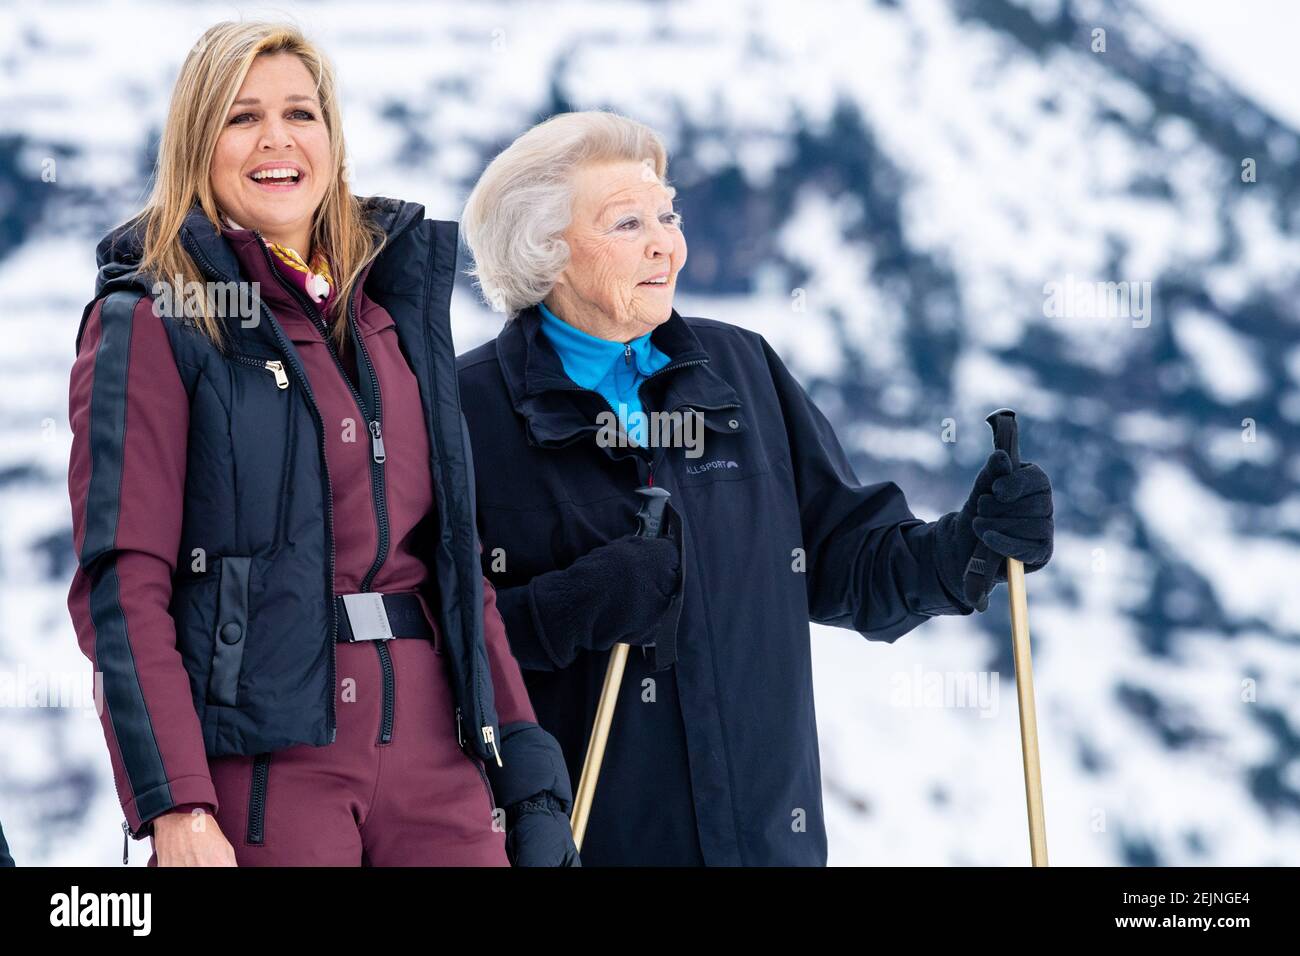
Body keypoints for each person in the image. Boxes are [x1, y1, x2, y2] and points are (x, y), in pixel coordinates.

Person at [455, 110, 1054, 865]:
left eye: (667, 215)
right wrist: (567, 608)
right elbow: (434, 654)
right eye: (627, 222)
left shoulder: (739, 370)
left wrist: (969, 546)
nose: (664, 242)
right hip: (586, 848)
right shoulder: (466, 412)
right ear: (545, 253)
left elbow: (844, 561)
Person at [66, 21, 578, 866]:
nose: (277, 139)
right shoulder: (155, 319)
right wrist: (176, 806)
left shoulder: (391, 313)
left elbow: (455, 563)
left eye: (301, 113)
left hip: (436, 761)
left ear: (334, 142)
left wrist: (527, 773)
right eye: (241, 117)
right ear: (198, 144)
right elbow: (122, 584)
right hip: (266, 771)